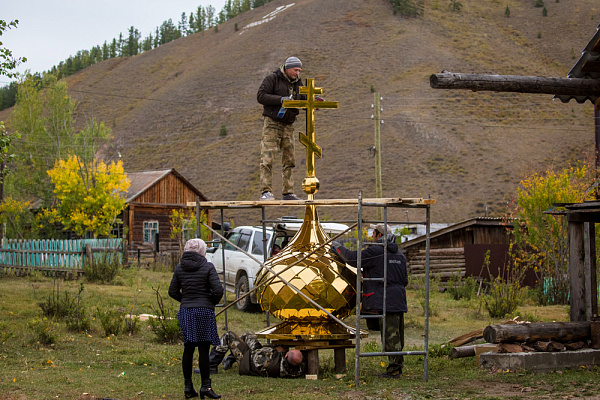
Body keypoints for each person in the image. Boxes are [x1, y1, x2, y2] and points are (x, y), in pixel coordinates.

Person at [332, 223, 408, 378]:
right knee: (396, 334)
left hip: (384, 300)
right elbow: (405, 280)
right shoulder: (399, 254)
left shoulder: (376, 251)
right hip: (398, 299)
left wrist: (338, 247)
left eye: (373, 233)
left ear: (378, 235)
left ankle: (394, 370)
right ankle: (396, 366)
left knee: (390, 336)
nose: (371, 236)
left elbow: (353, 258)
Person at [169, 239, 224, 399]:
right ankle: (206, 387)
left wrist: (186, 301)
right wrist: (209, 302)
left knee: (188, 348)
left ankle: (188, 387)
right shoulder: (207, 267)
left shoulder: (180, 268)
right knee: (203, 350)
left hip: (186, 311)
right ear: (202, 251)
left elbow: (172, 291)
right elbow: (218, 290)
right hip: (204, 311)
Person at [256, 56, 305, 201]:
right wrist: (280, 99)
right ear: (288, 68)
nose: (297, 73)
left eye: (299, 71)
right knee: (268, 158)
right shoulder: (272, 79)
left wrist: (313, 102)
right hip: (272, 123)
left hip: (288, 125)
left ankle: (288, 192)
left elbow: (302, 99)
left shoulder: (298, 83)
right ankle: (265, 191)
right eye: (296, 70)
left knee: (289, 159)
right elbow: (261, 96)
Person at [209, 331, 305, 378]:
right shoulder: (297, 370)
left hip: (247, 360)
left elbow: (259, 354)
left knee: (228, 336)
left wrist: (275, 349)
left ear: (286, 356)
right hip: (255, 356)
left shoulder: (272, 360)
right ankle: (229, 359)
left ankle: (211, 366)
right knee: (248, 335)